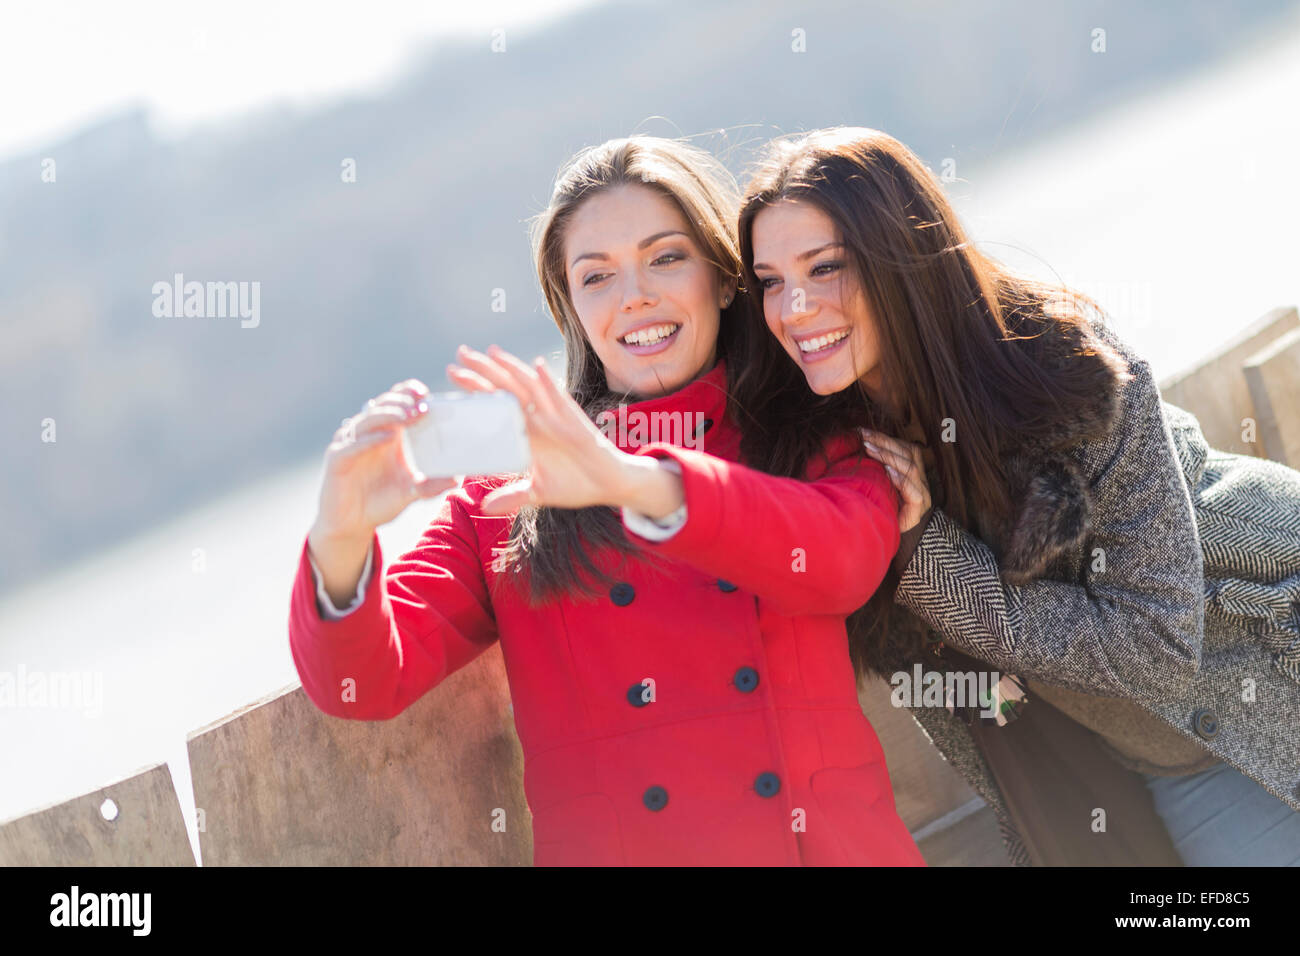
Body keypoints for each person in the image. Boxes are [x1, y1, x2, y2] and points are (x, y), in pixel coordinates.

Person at [289, 134, 925, 866]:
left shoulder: (814, 437)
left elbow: (839, 563)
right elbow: (361, 683)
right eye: (596, 277)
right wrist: (338, 533)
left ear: (723, 278)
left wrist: (632, 480)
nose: (635, 297)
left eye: (665, 257)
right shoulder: (504, 499)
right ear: (571, 308)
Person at [731, 125, 1300, 866]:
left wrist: (932, 555)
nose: (793, 307)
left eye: (826, 267)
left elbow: (1155, 645)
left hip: (1273, 655)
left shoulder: (1067, 374)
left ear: (900, 259)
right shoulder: (837, 459)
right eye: (770, 280)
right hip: (1175, 768)